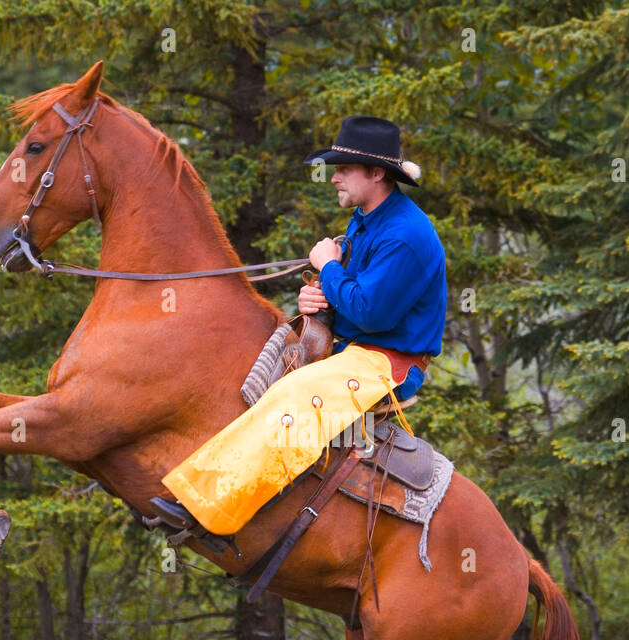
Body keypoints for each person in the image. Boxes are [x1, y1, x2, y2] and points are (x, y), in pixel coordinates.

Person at [149, 116, 447, 549]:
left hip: (388, 362)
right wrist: (317, 297)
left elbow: (369, 313)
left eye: (343, 168)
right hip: (355, 347)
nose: (334, 178)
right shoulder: (370, 218)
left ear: (377, 173)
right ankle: (203, 492)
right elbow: (353, 296)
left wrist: (327, 268)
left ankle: (211, 512)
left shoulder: (405, 234)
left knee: (296, 394)